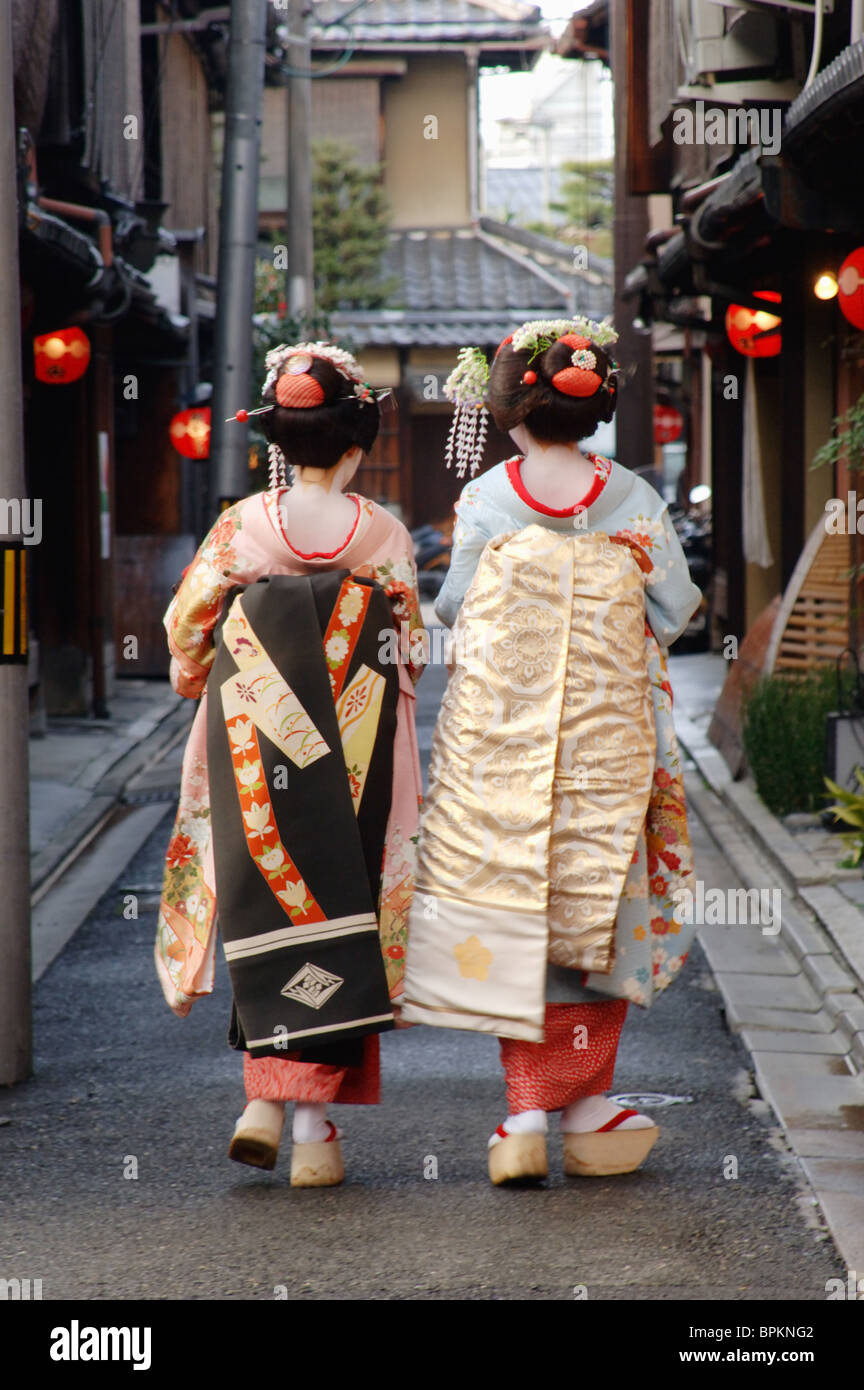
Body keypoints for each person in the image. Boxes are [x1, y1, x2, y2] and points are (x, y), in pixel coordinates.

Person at [401, 317, 703, 1185]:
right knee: (600, 897)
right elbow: (675, 605)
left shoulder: (490, 497)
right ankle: (579, 1103)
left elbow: (455, 604)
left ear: (506, 409)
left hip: (507, 736)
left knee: (514, 889)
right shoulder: (634, 497)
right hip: (612, 732)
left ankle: (533, 1111)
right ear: (600, 402)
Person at [155, 342, 424, 1186]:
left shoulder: (243, 526)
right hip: (359, 747)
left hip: (251, 743)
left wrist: (207, 674)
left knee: (259, 892)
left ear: (280, 443)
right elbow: (406, 642)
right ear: (356, 446)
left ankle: (265, 1102)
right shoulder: (381, 533)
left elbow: (185, 629)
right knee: (342, 896)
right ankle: (309, 1127)